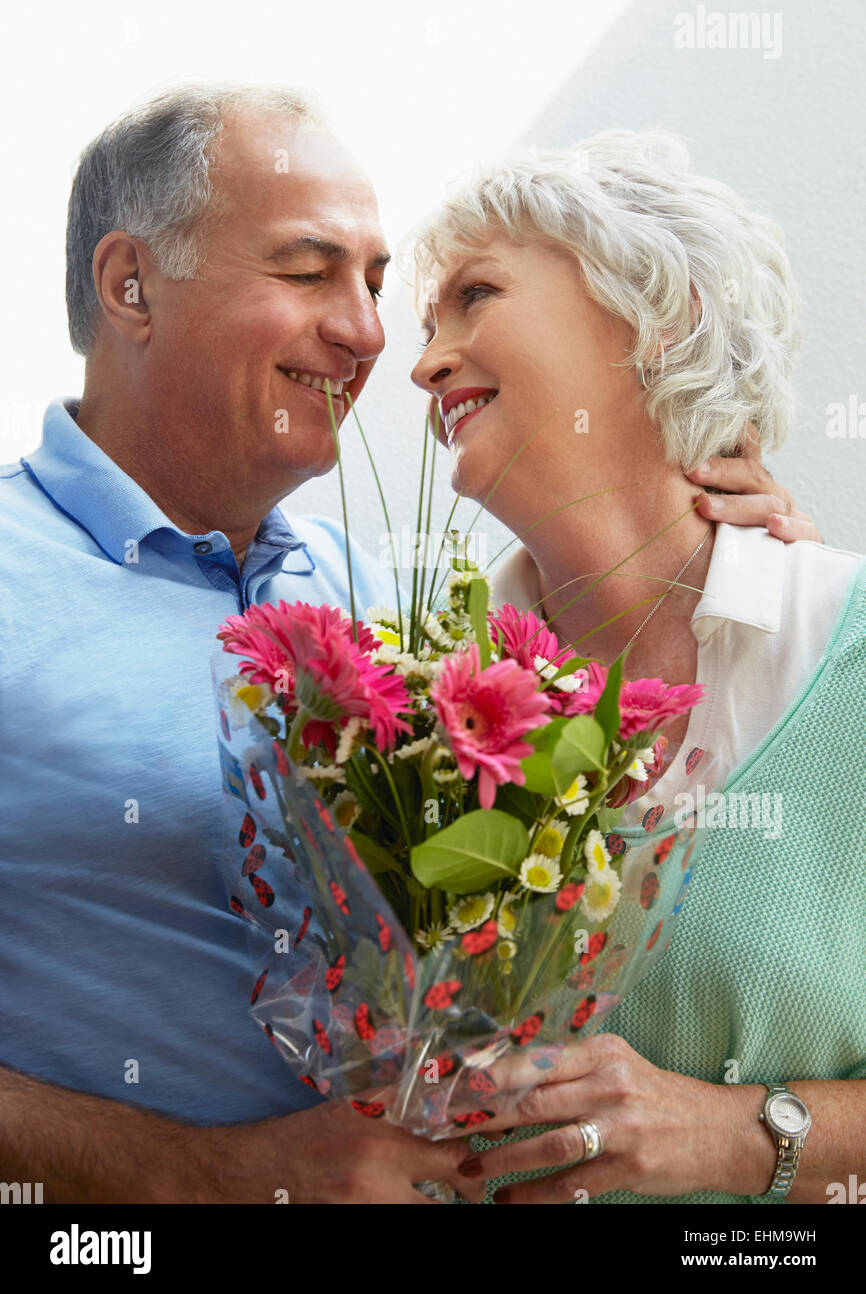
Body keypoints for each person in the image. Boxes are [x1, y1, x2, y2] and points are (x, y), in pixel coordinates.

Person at [0, 88, 817, 1206]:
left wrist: (738, 556)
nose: (372, 334)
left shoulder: (402, 610)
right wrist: (209, 1178)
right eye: (306, 270)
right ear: (130, 284)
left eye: (378, 285)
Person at [408, 129, 866, 1204]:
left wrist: (748, 1132)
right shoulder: (419, 711)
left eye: (474, 296)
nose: (423, 362)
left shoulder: (847, 654)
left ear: (662, 320)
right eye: (426, 326)